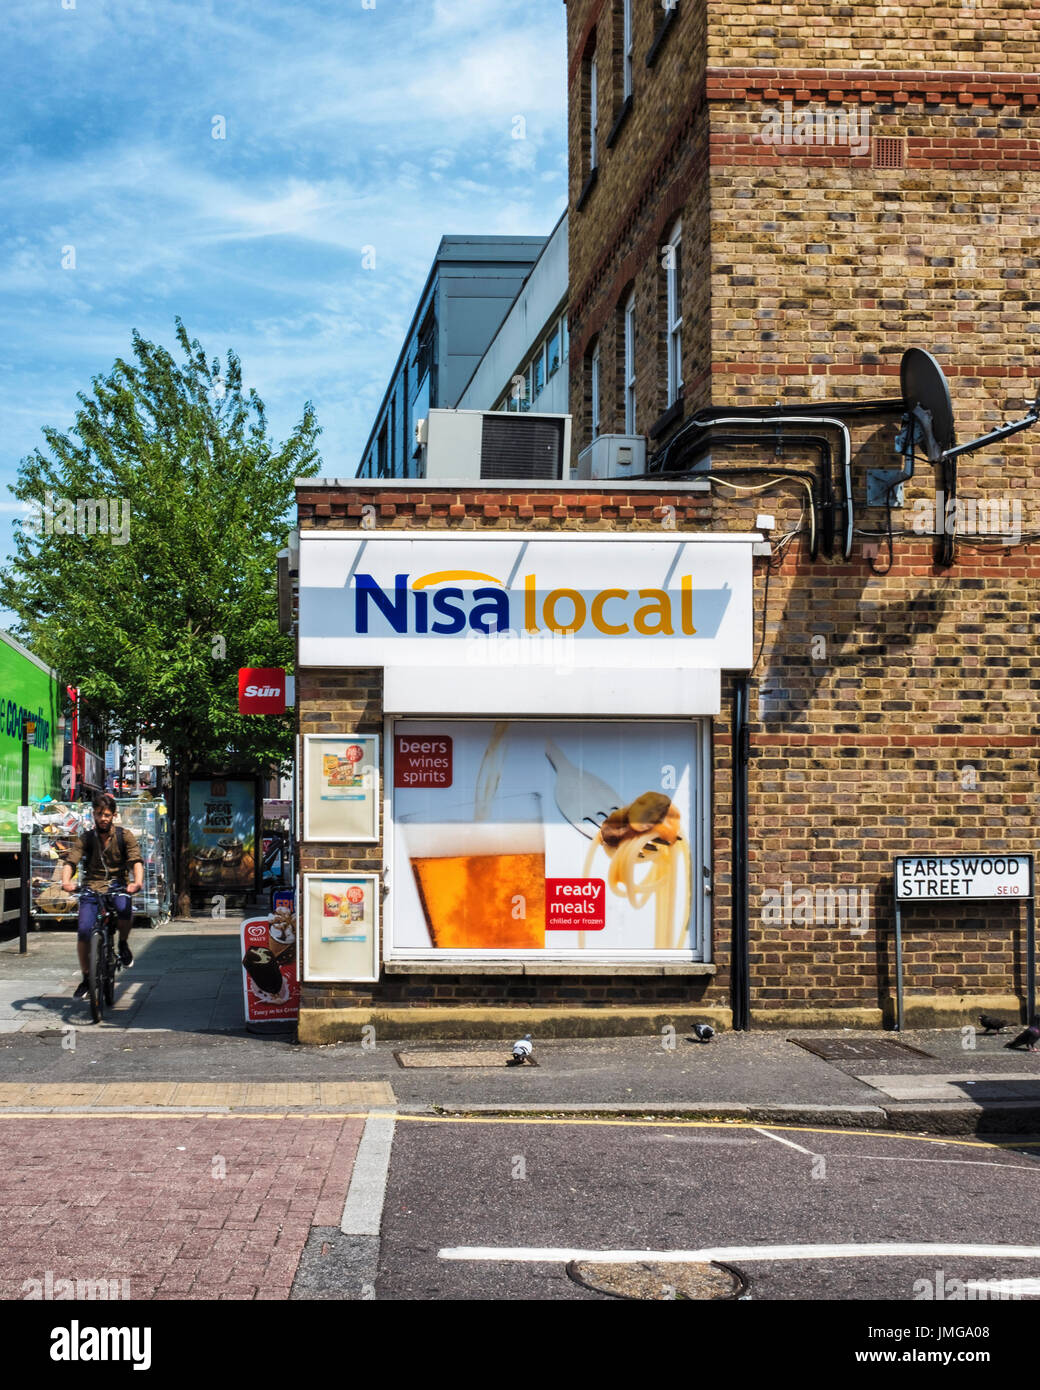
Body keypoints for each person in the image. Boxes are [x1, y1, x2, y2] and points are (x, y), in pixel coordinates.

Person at [60, 794, 144, 999]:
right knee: (83, 930)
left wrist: (137, 882)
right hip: (92, 886)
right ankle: (86, 978)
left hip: (117, 884)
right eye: (99, 814)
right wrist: (66, 881)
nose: (103, 818)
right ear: (94, 815)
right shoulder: (86, 838)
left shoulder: (125, 836)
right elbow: (71, 861)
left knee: (124, 908)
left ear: (114, 815)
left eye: (107, 815)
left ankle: (123, 944)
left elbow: (135, 861)